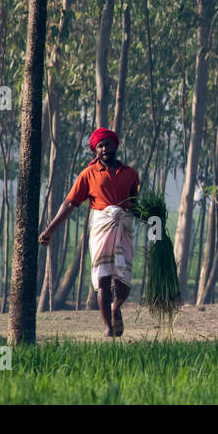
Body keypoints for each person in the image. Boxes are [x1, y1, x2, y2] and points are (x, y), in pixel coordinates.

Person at [40, 127, 139, 337]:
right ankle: (108, 327)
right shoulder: (88, 174)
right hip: (101, 228)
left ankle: (115, 307)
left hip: (123, 227)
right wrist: (50, 229)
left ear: (115, 145)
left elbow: (135, 203)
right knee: (103, 278)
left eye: (107, 144)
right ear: (95, 150)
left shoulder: (130, 174)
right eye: (99, 146)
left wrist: (154, 217)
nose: (104, 149)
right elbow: (69, 203)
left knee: (123, 280)